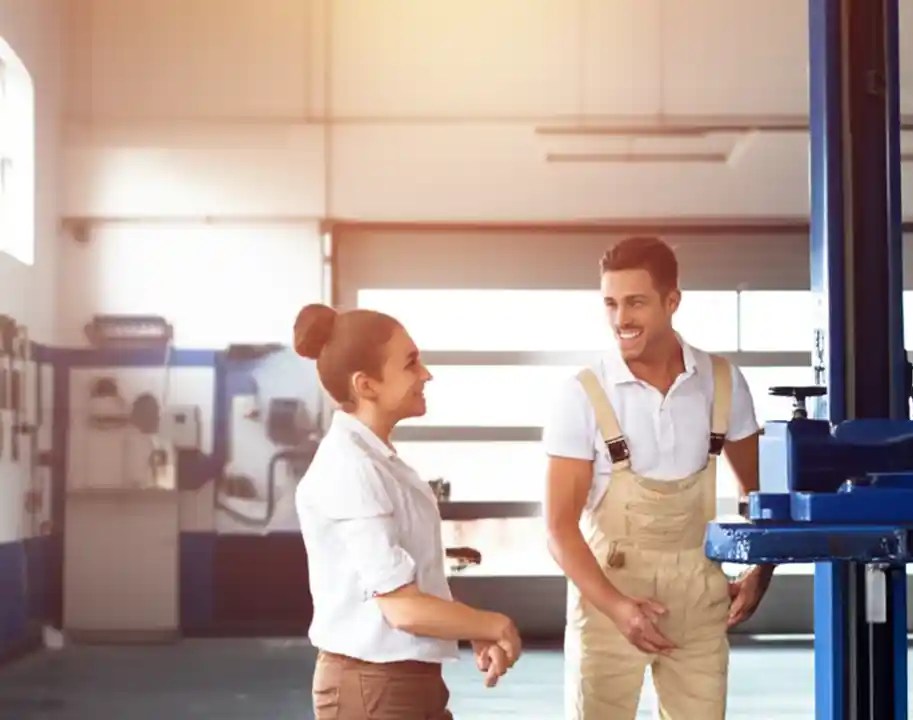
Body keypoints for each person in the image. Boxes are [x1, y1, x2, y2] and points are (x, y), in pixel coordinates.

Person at [543, 236, 775, 719]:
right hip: (609, 595)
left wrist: (761, 570)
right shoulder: (582, 394)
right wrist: (617, 607)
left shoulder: (723, 382)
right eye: (610, 303)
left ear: (672, 301)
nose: (620, 319)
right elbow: (559, 529)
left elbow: (760, 495)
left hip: (699, 590)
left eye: (635, 302)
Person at [293, 303, 523, 720]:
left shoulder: (376, 460)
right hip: (373, 688)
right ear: (367, 385)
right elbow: (401, 606)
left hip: (398, 683)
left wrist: (469, 627)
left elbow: (411, 581)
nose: (426, 374)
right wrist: (494, 624)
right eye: (411, 364)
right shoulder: (353, 469)